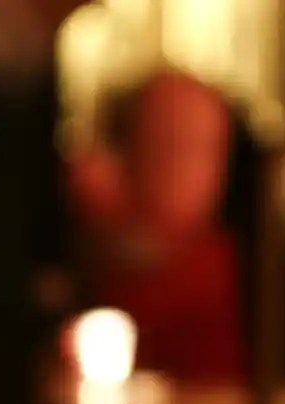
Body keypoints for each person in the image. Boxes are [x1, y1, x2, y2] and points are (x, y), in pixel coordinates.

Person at [66, 70, 246, 385]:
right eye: (169, 143)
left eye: (205, 147)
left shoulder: (248, 268)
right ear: (127, 150)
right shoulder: (79, 255)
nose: (184, 168)